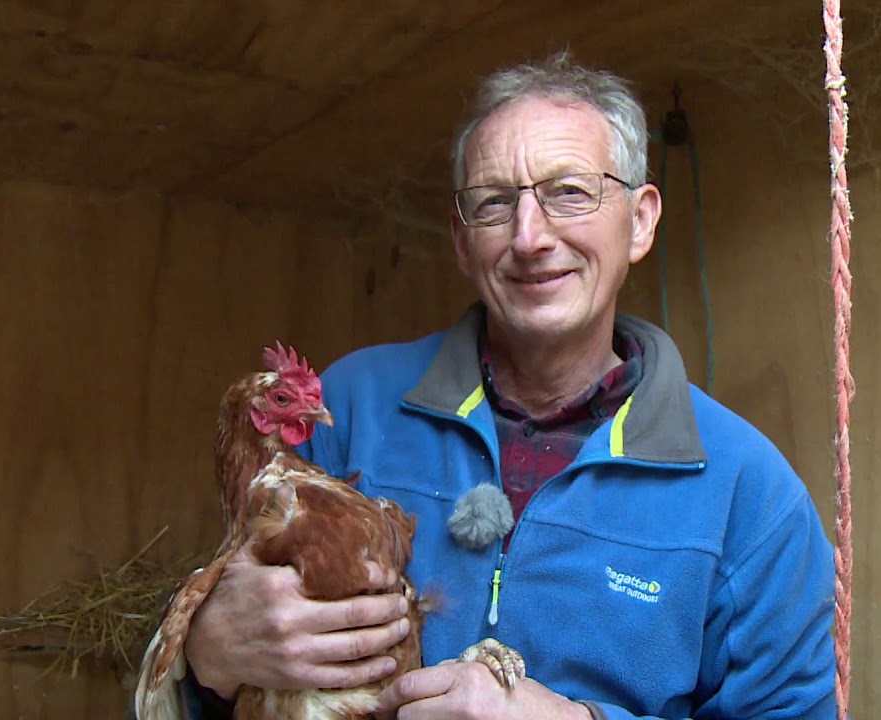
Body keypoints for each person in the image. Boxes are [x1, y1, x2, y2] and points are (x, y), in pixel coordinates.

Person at [179, 51, 838, 719]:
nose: (529, 237)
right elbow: (236, 671)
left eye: (570, 193)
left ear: (639, 221)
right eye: (494, 203)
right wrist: (203, 656)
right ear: (463, 242)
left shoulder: (747, 492)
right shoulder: (349, 410)